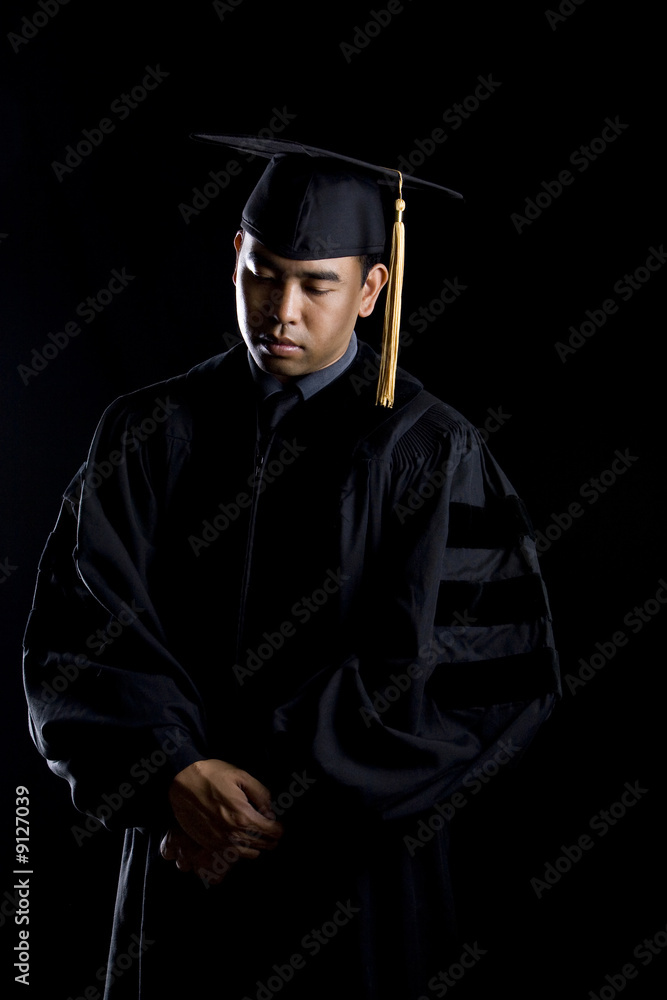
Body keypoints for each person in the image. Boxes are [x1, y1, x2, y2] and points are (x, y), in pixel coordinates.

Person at [23, 135, 560, 999]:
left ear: (371, 289)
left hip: (352, 878)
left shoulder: (430, 452)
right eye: (265, 273)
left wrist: (271, 790)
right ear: (236, 254)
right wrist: (172, 772)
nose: (282, 309)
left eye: (317, 284)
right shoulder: (148, 432)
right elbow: (79, 635)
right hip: (178, 862)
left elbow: (482, 679)